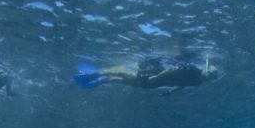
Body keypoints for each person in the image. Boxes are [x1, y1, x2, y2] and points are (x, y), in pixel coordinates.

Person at [73, 55, 220, 92]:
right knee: (126, 78)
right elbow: (174, 72)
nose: (207, 78)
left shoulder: (197, 79)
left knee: (126, 79)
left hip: (154, 82)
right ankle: (98, 77)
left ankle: (100, 78)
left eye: (210, 77)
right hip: (154, 80)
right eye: (209, 75)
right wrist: (159, 78)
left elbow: (180, 83)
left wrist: (171, 92)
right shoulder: (195, 74)